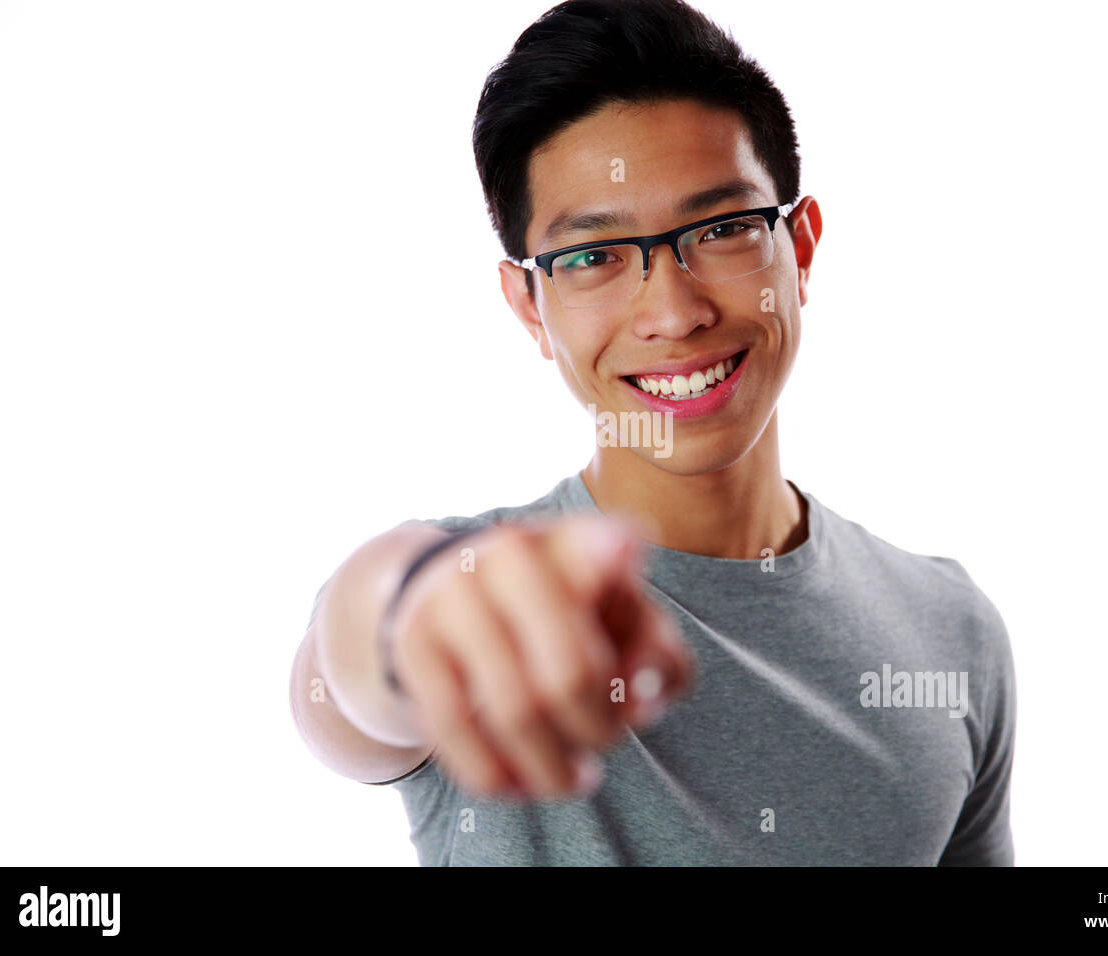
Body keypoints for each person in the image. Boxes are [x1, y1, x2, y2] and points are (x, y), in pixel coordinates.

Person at [289, 0, 1017, 866]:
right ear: (530, 307)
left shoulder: (951, 629)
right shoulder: (474, 592)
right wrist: (402, 604)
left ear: (803, 249)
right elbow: (352, 683)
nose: (674, 312)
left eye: (722, 230)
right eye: (593, 256)